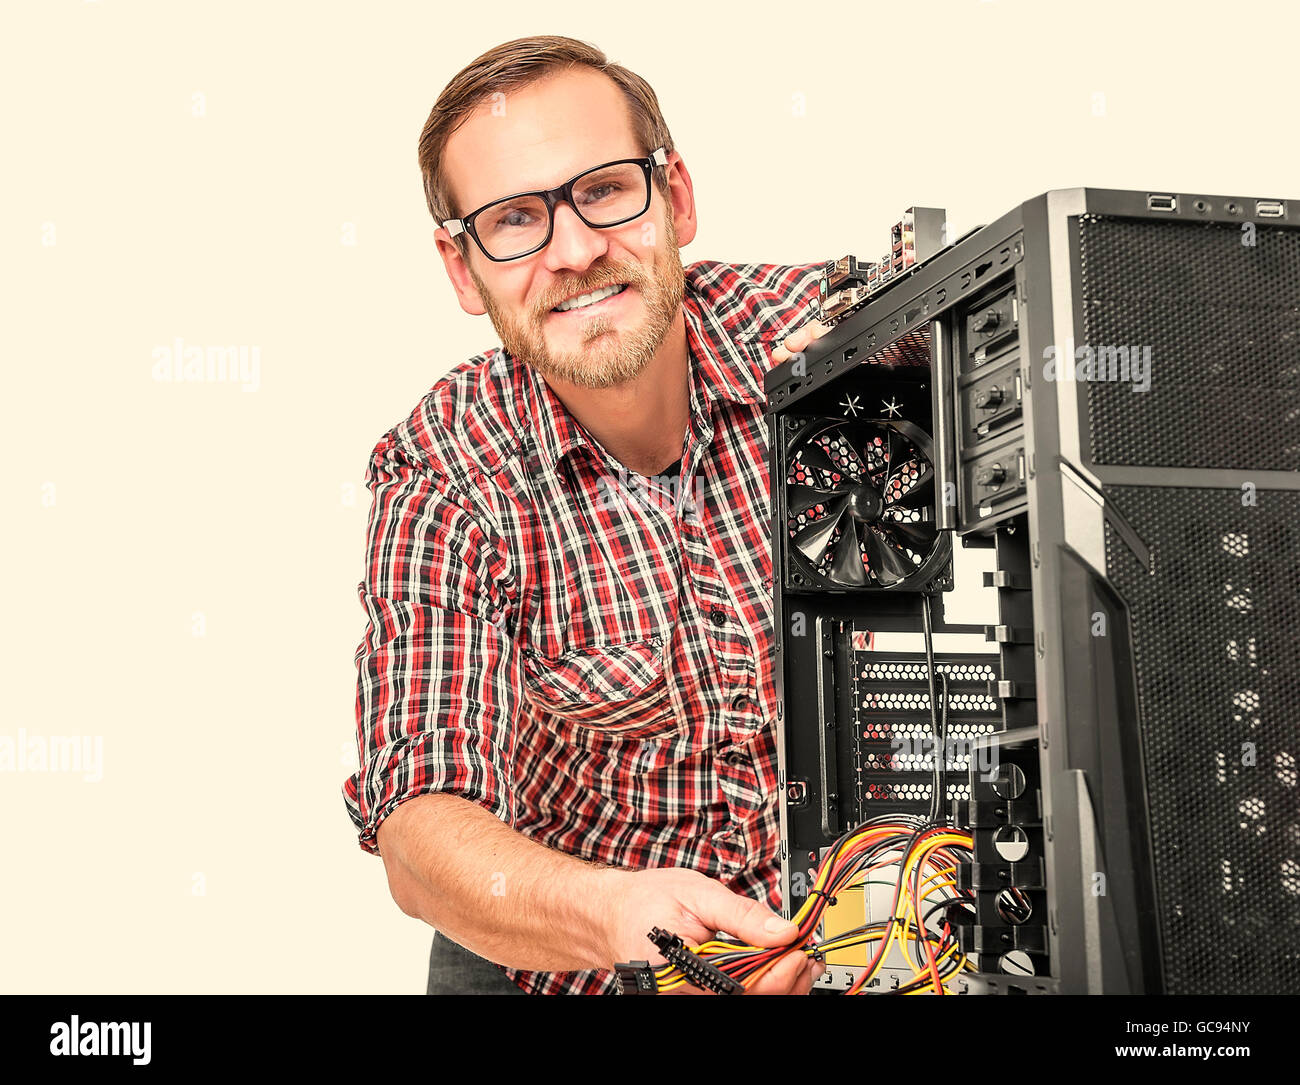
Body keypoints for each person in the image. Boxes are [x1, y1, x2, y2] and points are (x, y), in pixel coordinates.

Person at [343, 35, 831, 995]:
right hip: (581, 961)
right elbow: (417, 827)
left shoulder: (821, 342)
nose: (574, 251)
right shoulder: (442, 469)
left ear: (676, 197)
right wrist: (615, 915)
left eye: (605, 190)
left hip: (850, 946)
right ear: (460, 266)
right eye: (514, 219)